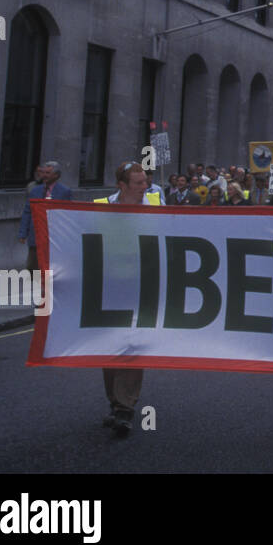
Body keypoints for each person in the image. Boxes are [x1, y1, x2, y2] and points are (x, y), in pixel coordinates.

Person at [93, 160, 160, 436]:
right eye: (139, 183)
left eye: (146, 181)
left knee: (132, 344)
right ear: (122, 185)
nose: (146, 187)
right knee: (110, 347)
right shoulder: (100, 205)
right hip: (107, 287)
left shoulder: (156, 204)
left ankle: (125, 407)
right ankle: (115, 401)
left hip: (141, 287)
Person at [17, 159, 72, 271]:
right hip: (36, 234)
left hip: (54, 236)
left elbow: (67, 214)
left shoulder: (64, 192)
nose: (44, 175)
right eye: (44, 172)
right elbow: (27, 212)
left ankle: (46, 286)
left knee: (49, 266)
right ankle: (37, 286)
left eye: (48, 173)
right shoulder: (35, 191)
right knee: (32, 266)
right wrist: (23, 233)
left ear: (56, 175)